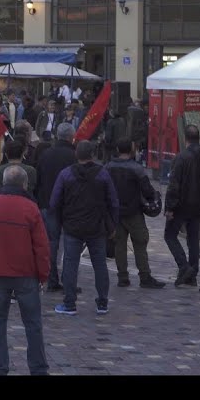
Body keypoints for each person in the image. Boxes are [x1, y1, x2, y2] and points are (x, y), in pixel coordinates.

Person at [0, 164, 50, 375]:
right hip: (26, 273)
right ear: (24, 184)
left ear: (3, 182)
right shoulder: (30, 208)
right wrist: (44, 274)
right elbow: (41, 246)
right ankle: (38, 367)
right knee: (33, 323)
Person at [50, 140, 118, 316]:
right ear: (93, 155)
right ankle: (102, 302)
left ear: (76, 154)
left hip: (72, 225)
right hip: (97, 225)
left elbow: (54, 202)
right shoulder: (102, 174)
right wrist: (113, 224)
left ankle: (69, 303)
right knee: (100, 264)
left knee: (70, 264)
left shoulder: (66, 174)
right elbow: (113, 201)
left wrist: (60, 219)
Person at [104, 139, 168, 289]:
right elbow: (147, 190)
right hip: (134, 212)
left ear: (118, 150)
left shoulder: (108, 167)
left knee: (119, 245)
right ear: (131, 150)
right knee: (140, 244)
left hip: (116, 213)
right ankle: (144, 276)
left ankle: (122, 277)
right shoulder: (137, 168)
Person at [164, 124, 200, 287]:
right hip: (199, 202)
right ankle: (192, 273)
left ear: (185, 139)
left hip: (182, 203)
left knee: (170, 235)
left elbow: (174, 184)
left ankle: (184, 267)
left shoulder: (181, 157)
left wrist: (170, 207)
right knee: (193, 238)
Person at [36, 123, 78, 292]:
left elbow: (38, 179)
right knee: (70, 243)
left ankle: (52, 278)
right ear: (70, 137)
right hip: (69, 206)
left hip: (47, 203)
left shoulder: (46, 154)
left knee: (52, 243)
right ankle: (68, 281)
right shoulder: (73, 156)